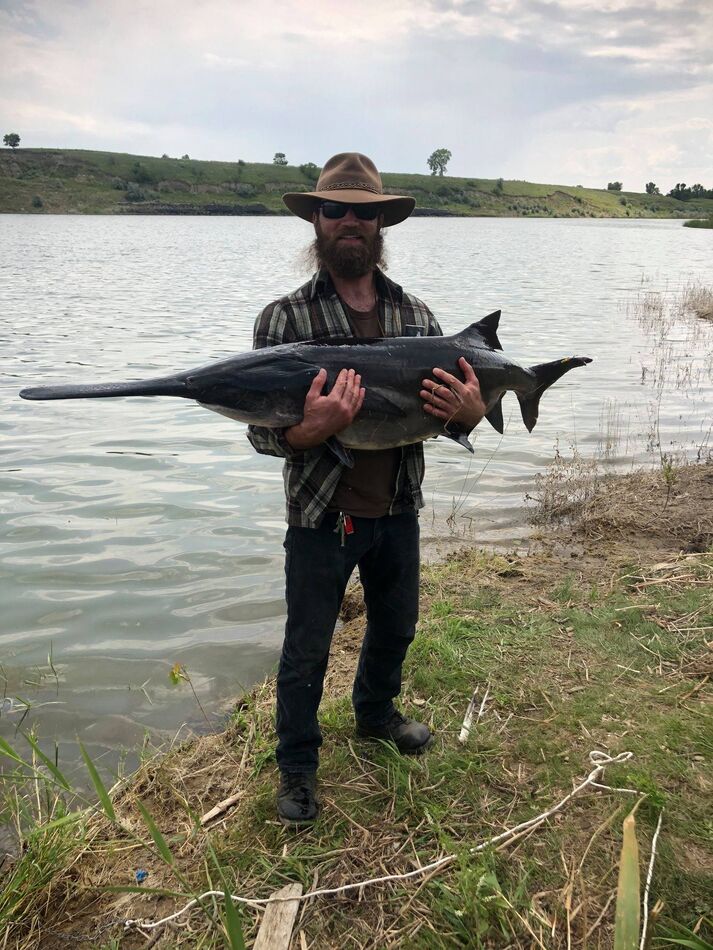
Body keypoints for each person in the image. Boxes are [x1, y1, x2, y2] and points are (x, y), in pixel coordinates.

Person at [247, 153, 486, 826]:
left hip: (397, 507)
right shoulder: (282, 321)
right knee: (305, 648)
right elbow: (262, 434)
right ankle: (296, 769)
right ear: (315, 221)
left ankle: (375, 718)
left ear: (382, 223)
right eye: (335, 210)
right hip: (321, 516)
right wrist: (306, 430)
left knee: (395, 629)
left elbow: (446, 417)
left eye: (364, 211)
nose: (349, 221)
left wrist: (468, 416)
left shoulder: (418, 318)